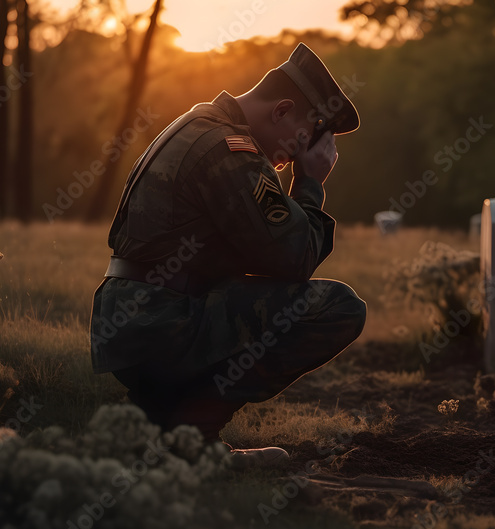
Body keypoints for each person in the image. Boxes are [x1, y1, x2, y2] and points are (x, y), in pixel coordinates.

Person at [89, 43, 367, 459]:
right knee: (339, 308)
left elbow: (260, 252)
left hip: (141, 319)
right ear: (281, 111)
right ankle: (193, 440)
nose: (293, 158)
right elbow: (296, 257)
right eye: (301, 142)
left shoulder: (197, 122)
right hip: (161, 322)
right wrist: (310, 184)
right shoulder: (229, 149)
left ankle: (159, 420)